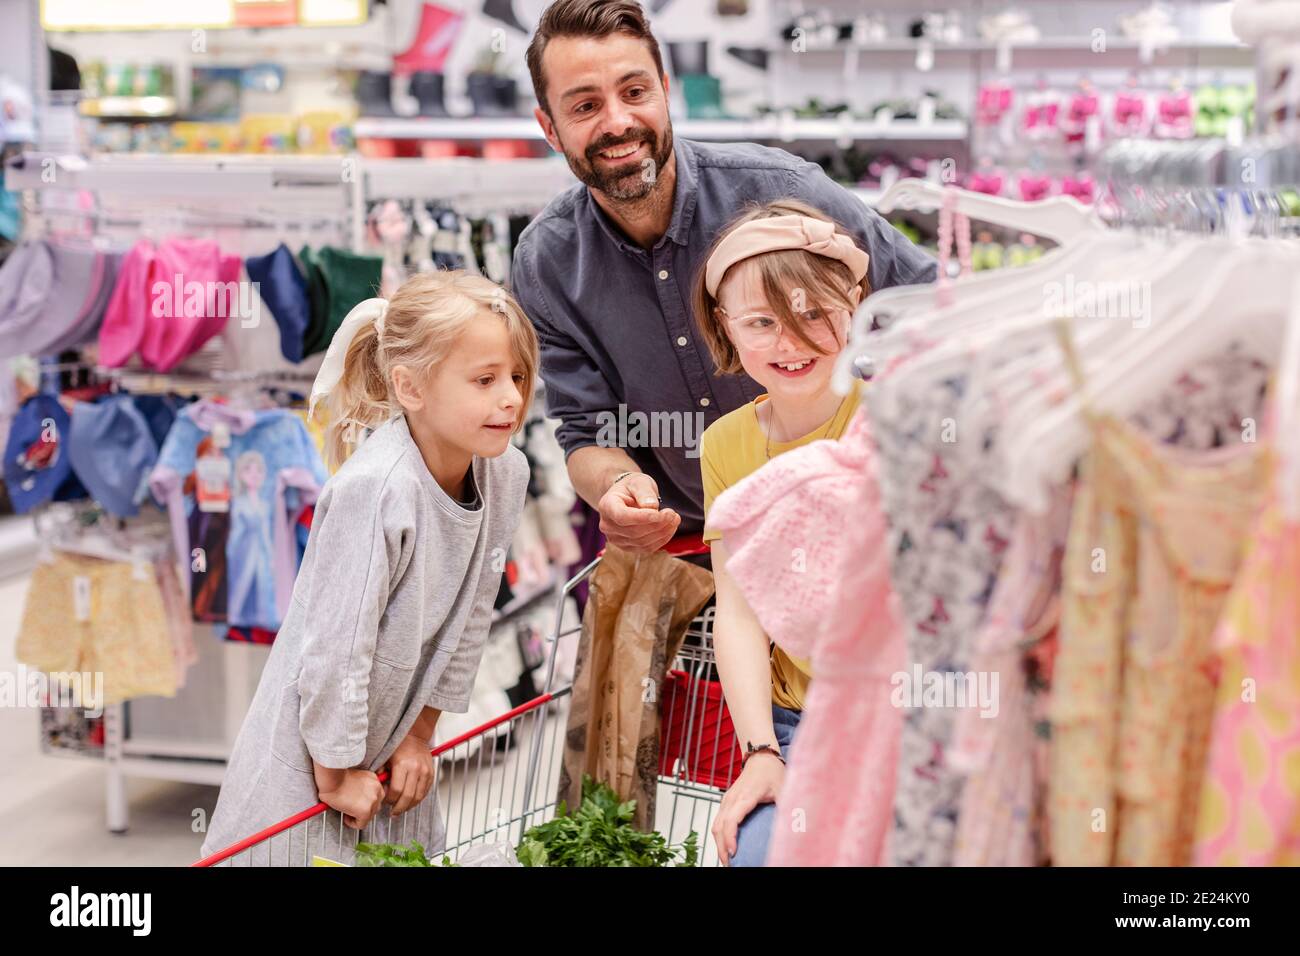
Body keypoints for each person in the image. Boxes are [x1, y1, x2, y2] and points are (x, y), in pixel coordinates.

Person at [513, 0, 934, 555]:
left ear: (666, 89)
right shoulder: (546, 264)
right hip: (696, 555)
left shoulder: (786, 190)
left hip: (853, 535)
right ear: (549, 126)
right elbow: (586, 431)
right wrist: (618, 487)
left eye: (635, 92)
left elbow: (925, 303)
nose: (617, 122)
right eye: (586, 105)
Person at [199, 271, 536, 863]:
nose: (510, 397)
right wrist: (334, 771)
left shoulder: (506, 472)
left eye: (517, 376)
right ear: (410, 387)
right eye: (484, 380)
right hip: (313, 758)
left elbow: (473, 618)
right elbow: (336, 647)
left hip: (392, 750)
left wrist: (420, 734)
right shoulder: (376, 490)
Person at [695, 199, 869, 866]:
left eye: (813, 314)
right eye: (762, 322)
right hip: (795, 727)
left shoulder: (893, 418)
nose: (789, 342)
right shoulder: (725, 446)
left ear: (854, 306)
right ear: (725, 325)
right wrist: (761, 752)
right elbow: (739, 613)